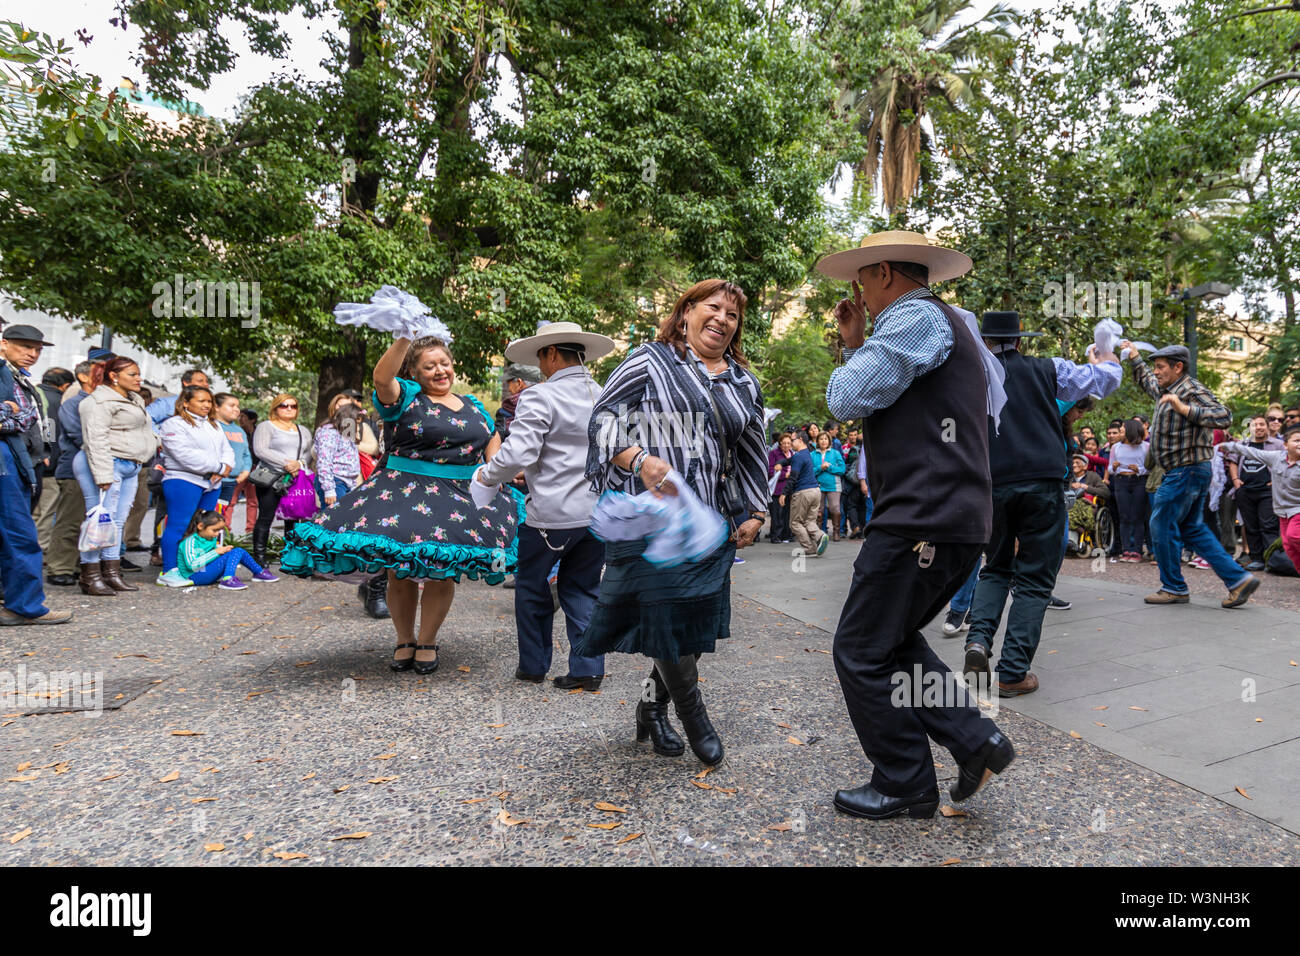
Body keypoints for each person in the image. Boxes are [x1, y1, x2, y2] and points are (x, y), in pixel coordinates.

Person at [817, 229, 1011, 819]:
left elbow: (846, 398)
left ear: (883, 274)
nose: (859, 293)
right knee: (891, 640)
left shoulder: (914, 318)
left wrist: (854, 352)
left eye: (862, 280)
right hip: (944, 516)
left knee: (859, 649)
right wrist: (858, 341)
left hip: (922, 518)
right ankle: (977, 741)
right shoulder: (939, 322)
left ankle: (904, 780)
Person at [578, 279, 768, 766]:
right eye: (713, 307)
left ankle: (651, 706)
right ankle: (692, 715)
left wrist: (758, 508)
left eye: (733, 314)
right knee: (664, 621)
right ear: (686, 312)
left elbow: (750, 448)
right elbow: (602, 420)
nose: (723, 319)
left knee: (691, 627)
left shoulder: (744, 382)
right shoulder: (650, 359)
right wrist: (638, 458)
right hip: (651, 521)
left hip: (710, 520)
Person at [280, 330, 522, 675]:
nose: (439, 371)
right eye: (428, 366)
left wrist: (500, 473)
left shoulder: (474, 406)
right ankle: (404, 638)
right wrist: (405, 338)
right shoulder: (405, 399)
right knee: (400, 572)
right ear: (414, 372)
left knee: (442, 572)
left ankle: (427, 640)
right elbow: (381, 377)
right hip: (404, 493)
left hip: (458, 497)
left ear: (453, 366)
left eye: (444, 363)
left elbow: (491, 442)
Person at [962, 312, 1120, 695]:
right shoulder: (1049, 369)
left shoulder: (970, 378)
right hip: (1041, 483)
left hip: (993, 484)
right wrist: (1110, 356)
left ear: (984, 343)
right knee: (1033, 580)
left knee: (995, 568)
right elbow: (1104, 380)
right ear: (1020, 341)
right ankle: (1013, 672)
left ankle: (978, 640)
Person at [475, 320, 616, 690]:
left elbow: (519, 451)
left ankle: (534, 666)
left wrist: (487, 477)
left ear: (552, 353)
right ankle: (588, 669)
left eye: (541, 356)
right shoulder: (603, 393)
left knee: (533, 588)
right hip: (595, 513)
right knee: (583, 589)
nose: (540, 365)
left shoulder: (540, 395)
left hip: (550, 516)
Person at [1120, 341, 1259, 607]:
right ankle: (1238, 579)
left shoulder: (1190, 389)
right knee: (1191, 528)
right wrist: (1135, 357)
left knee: (1160, 524)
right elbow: (1149, 383)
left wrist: (1186, 410)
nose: (1156, 372)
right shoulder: (1166, 389)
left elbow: (1224, 415)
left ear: (1178, 367)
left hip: (1186, 470)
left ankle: (1174, 587)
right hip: (1188, 471)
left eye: (1160, 367)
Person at [0, 325, 72, 625]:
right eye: (24, 346)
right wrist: (20, 414)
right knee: (20, 534)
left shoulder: (18, 376)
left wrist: (18, 412)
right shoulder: (4, 373)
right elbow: (10, 419)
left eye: (37, 349)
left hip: (17, 457)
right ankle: (25, 606)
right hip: (6, 457)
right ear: (4, 344)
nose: (32, 353)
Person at [73, 356, 157, 596]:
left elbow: (143, 429)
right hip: (106, 462)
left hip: (130, 465)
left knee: (117, 522)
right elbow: (94, 438)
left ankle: (111, 574)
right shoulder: (97, 402)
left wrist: (154, 442)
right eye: (132, 374)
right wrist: (102, 473)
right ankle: (90, 576)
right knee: (99, 520)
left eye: (138, 374)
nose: (138, 378)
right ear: (113, 376)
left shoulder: (134, 399)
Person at [156, 386, 235, 585]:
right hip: (184, 480)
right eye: (201, 401)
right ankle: (169, 571)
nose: (207, 405)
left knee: (204, 528)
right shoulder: (173, 424)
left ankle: (198, 566)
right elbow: (183, 454)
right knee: (178, 525)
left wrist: (225, 467)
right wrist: (218, 466)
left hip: (211, 482)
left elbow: (227, 450)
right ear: (185, 402)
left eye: (209, 401)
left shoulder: (213, 425)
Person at [1219, 426, 1300, 572]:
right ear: (1286, 445)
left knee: (1294, 535)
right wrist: (1228, 445)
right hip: (1282, 511)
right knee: (1288, 545)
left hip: (1298, 509)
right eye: (1297, 440)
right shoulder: (1277, 457)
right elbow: (1253, 452)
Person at [250, 394, 313, 568]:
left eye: (293, 406)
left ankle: (290, 556)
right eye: (284, 405)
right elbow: (261, 450)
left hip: (294, 478)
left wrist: (299, 464)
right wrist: (288, 464)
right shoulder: (266, 426)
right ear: (275, 408)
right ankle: (259, 558)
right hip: (271, 477)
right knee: (266, 516)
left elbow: (308, 453)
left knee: (292, 518)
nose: (289, 409)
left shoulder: (303, 430)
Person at [1225, 413, 1283, 572]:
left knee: (1268, 525)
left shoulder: (1278, 444)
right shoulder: (1243, 445)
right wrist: (1236, 480)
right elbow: (1233, 462)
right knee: (1250, 526)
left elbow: (1285, 461)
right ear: (1250, 428)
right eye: (1255, 425)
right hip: (1245, 491)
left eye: (1261, 424)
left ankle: (1272, 560)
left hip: (1267, 491)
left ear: (1267, 427)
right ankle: (1257, 559)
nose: (1258, 427)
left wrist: (1276, 480)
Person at [177, 510, 279, 589]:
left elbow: (211, 556)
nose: (217, 534)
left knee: (238, 551)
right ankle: (228, 579)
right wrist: (216, 552)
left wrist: (223, 551)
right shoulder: (189, 542)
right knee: (236, 551)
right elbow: (192, 565)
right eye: (214, 530)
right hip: (194, 576)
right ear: (200, 526)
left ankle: (259, 572)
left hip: (206, 572)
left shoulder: (210, 538)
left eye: (219, 530)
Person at [31, 367, 74, 553]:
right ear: (65, 385)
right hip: (49, 464)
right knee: (46, 510)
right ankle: (41, 547)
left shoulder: (32, 393)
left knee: (34, 510)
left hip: (30, 462)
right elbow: (49, 428)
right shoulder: (58, 401)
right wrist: (47, 453)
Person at [312, 393, 365, 507]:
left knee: (343, 520)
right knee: (330, 520)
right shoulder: (328, 432)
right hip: (335, 481)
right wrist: (329, 489)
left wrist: (353, 483)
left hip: (346, 483)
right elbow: (324, 462)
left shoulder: (347, 432)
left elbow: (349, 458)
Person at [1108, 418, 1150, 562]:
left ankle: (1137, 550)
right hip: (1121, 481)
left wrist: (1139, 469)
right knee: (1124, 516)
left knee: (1137, 517)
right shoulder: (1116, 447)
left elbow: (1150, 468)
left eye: (1122, 430)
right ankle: (1126, 549)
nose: (1119, 432)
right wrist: (1114, 467)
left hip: (1139, 481)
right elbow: (1109, 469)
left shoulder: (1145, 447)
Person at [213, 393, 253, 529]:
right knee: (208, 517)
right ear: (216, 407)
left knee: (221, 515)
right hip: (213, 481)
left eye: (238, 406)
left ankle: (219, 542)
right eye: (231, 405)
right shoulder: (211, 426)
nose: (237, 409)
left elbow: (246, 453)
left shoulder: (239, 430)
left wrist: (246, 470)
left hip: (231, 482)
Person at [784, 432, 826, 555]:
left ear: (800, 440)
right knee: (809, 521)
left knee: (795, 523)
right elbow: (789, 460)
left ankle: (809, 548)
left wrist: (784, 493)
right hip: (816, 491)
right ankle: (820, 535)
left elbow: (793, 477)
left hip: (803, 492)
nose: (791, 443)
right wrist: (781, 463)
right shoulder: (807, 453)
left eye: (792, 440)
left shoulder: (798, 456)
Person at [811, 431, 846, 540]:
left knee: (835, 509)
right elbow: (810, 471)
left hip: (834, 486)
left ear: (829, 441)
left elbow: (842, 470)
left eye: (826, 439)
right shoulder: (812, 454)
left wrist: (829, 467)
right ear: (817, 441)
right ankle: (818, 534)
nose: (823, 441)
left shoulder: (835, 453)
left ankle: (836, 532)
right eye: (821, 439)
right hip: (818, 486)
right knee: (819, 510)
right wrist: (821, 467)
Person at [495, 364, 542, 437]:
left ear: (519, 383)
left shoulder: (507, 409)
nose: (509, 389)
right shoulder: (546, 404)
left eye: (509, 384)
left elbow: (498, 438)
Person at [235, 408, 260, 533]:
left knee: (252, 500)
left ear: (252, 419)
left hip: (255, 469)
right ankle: (224, 528)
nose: (240, 419)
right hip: (240, 469)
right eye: (239, 416)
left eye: (243, 416)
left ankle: (250, 530)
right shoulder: (237, 433)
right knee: (231, 499)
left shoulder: (259, 433)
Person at [767, 432, 794, 543]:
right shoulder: (774, 453)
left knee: (787, 513)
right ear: (780, 444)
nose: (786, 445)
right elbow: (770, 470)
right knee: (777, 514)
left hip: (790, 488)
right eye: (784, 443)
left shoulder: (793, 454)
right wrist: (785, 475)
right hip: (778, 488)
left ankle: (786, 535)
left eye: (788, 443)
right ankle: (776, 536)